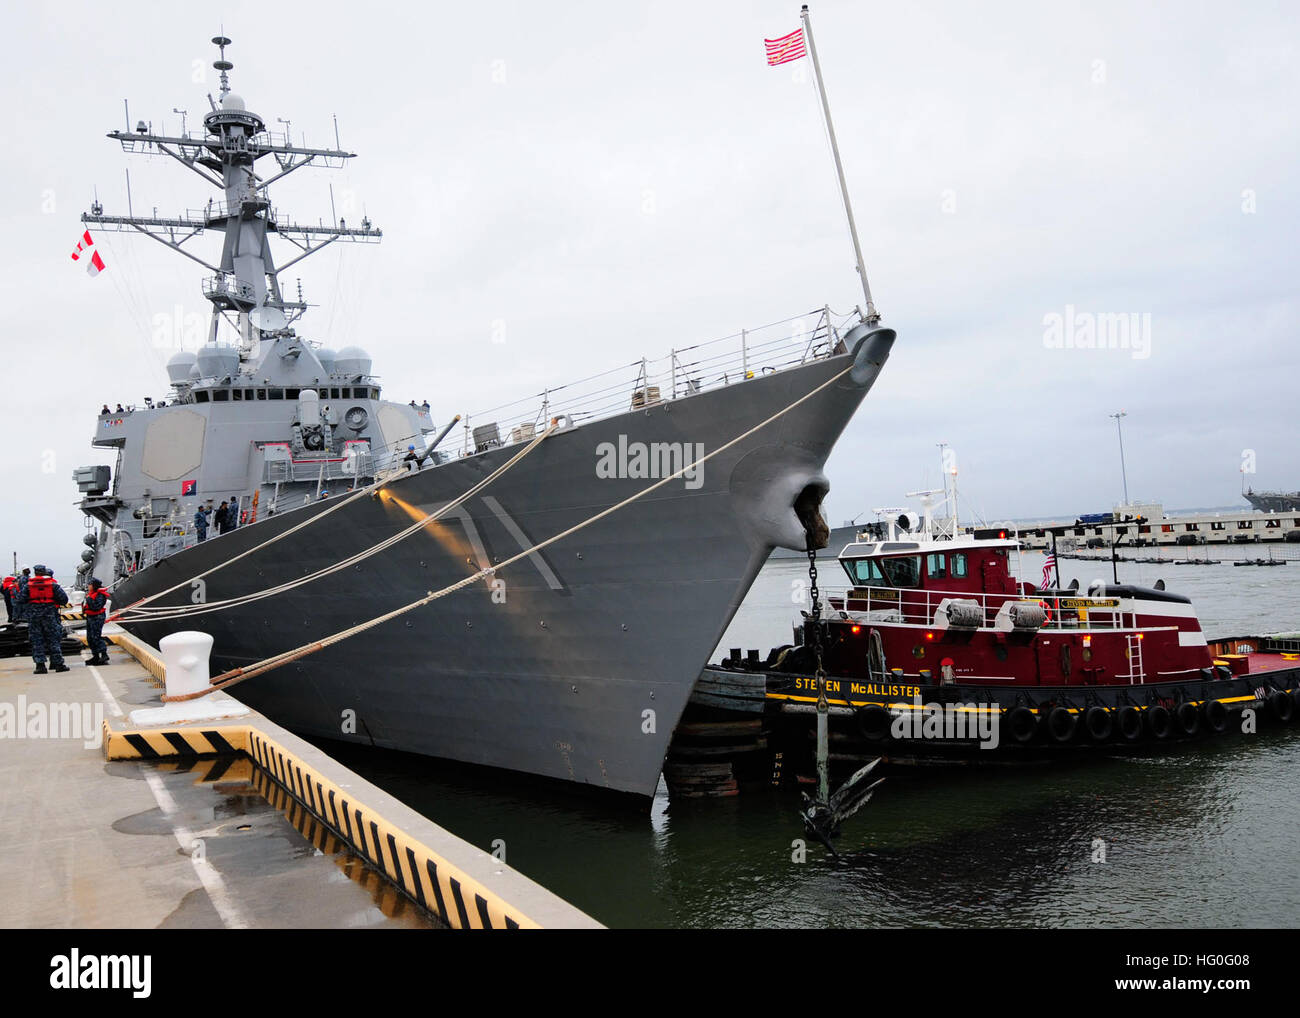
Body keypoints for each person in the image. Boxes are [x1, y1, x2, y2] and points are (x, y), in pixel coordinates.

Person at [17, 565, 69, 674]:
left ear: (35, 573)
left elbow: (20, 599)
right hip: (50, 616)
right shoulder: (53, 585)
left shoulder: (28, 586)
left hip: (34, 617)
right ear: (44, 572)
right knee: (53, 639)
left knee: (37, 640)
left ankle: (40, 666)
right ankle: (58, 664)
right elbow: (64, 599)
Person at [82, 578, 111, 665]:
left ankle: (104, 654)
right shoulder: (90, 594)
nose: (88, 586)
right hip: (90, 617)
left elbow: (96, 607)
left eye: (90, 584)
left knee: (96, 636)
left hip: (97, 617)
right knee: (90, 638)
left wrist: (89, 599)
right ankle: (95, 656)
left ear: (94, 586)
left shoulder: (100, 595)